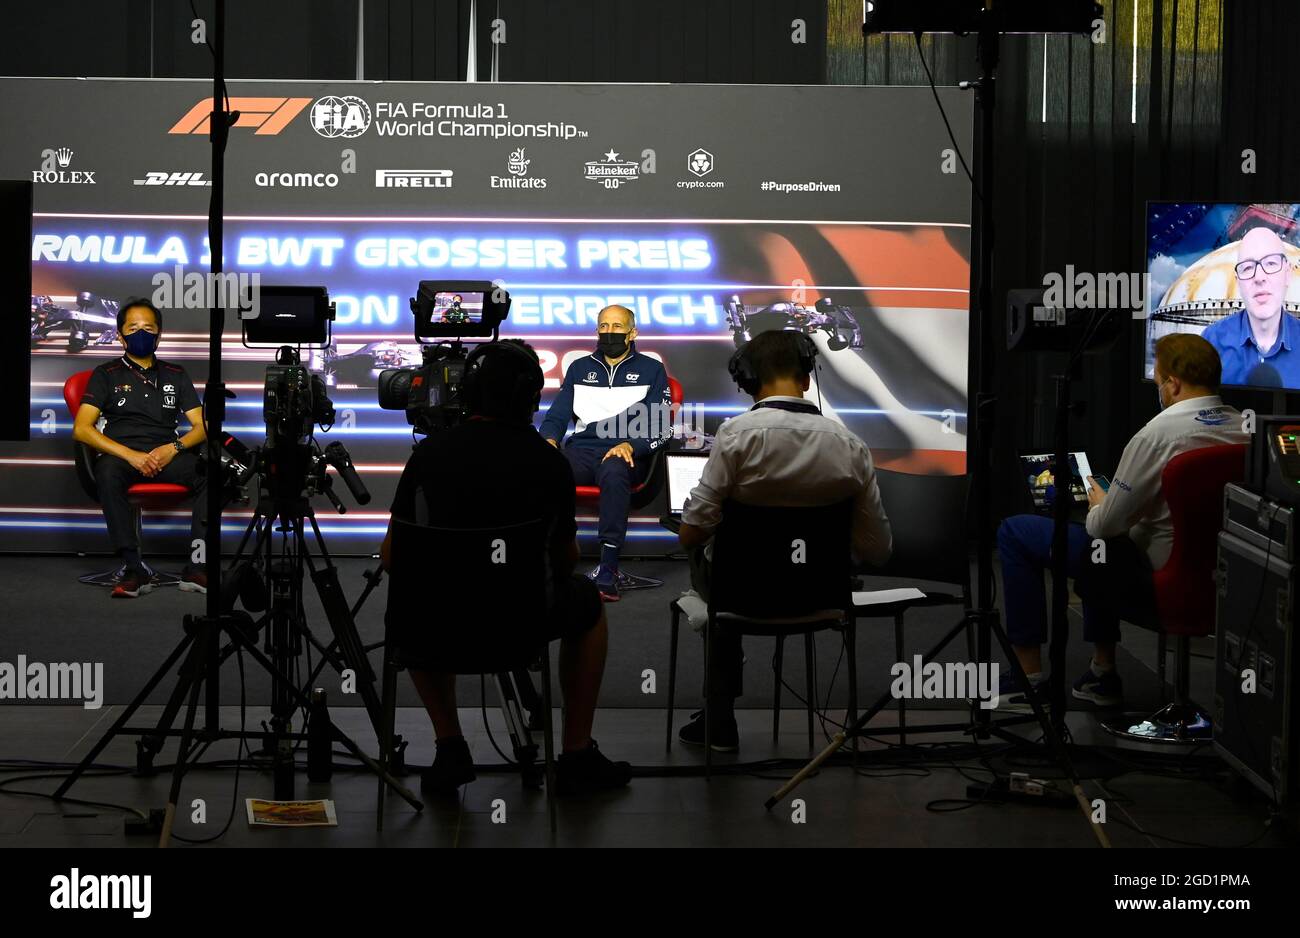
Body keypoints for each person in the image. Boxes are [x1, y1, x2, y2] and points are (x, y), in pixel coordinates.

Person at [380, 339, 631, 797]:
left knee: (410, 604)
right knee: (589, 603)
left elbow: (395, 558)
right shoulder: (550, 463)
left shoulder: (428, 457)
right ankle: (575, 753)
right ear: (531, 399)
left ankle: (449, 744)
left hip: (434, 626)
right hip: (520, 625)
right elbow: (565, 561)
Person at [996, 333, 1248, 711]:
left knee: (1023, 533)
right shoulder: (1243, 429)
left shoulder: (1156, 436)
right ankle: (1101, 673)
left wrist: (1102, 501)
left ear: (1173, 384)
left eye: (1160, 380)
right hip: (1229, 584)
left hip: (1155, 576)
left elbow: (1103, 526)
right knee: (1106, 545)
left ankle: (1028, 679)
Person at [675, 330, 892, 750]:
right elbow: (877, 550)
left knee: (706, 556)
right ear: (807, 379)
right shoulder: (851, 446)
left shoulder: (736, 436)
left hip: (740, 596)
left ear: (749, 381)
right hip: (821, 597)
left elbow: (691, 532)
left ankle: (719, 718)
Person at [73, 298, 208, 598]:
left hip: (167, 453)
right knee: (106, 472)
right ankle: (135, 568)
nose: (141, 334)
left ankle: (198, 566)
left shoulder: (176, 373)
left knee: (212, 473)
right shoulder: (105, 373)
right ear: (120, 335)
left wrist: (173, 447)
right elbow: (82, 427)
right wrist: (131, 456)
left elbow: (202, 427)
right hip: (123, 456)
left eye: (149, 328)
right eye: (133, 328)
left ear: (159, 334)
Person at [539, 304, 672, 601]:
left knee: (613, 470)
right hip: (582, 450)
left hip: (626, 453)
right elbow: (557, 417)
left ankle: (608, 569)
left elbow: (662, 428)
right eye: (604, 326)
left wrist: (631, 445)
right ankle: (547, 560)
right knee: (545, 469)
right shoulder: (579, 368)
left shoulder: (652, 370)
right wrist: (547, 442)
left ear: (632, 332)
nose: (609, 332)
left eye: (617, 326)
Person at [1200, 226, 1300, 388]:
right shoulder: (1212, 342)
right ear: (1238, 281)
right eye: (1247, 267)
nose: (1259, 277)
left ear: (1287, 274)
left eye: (1271, 263)